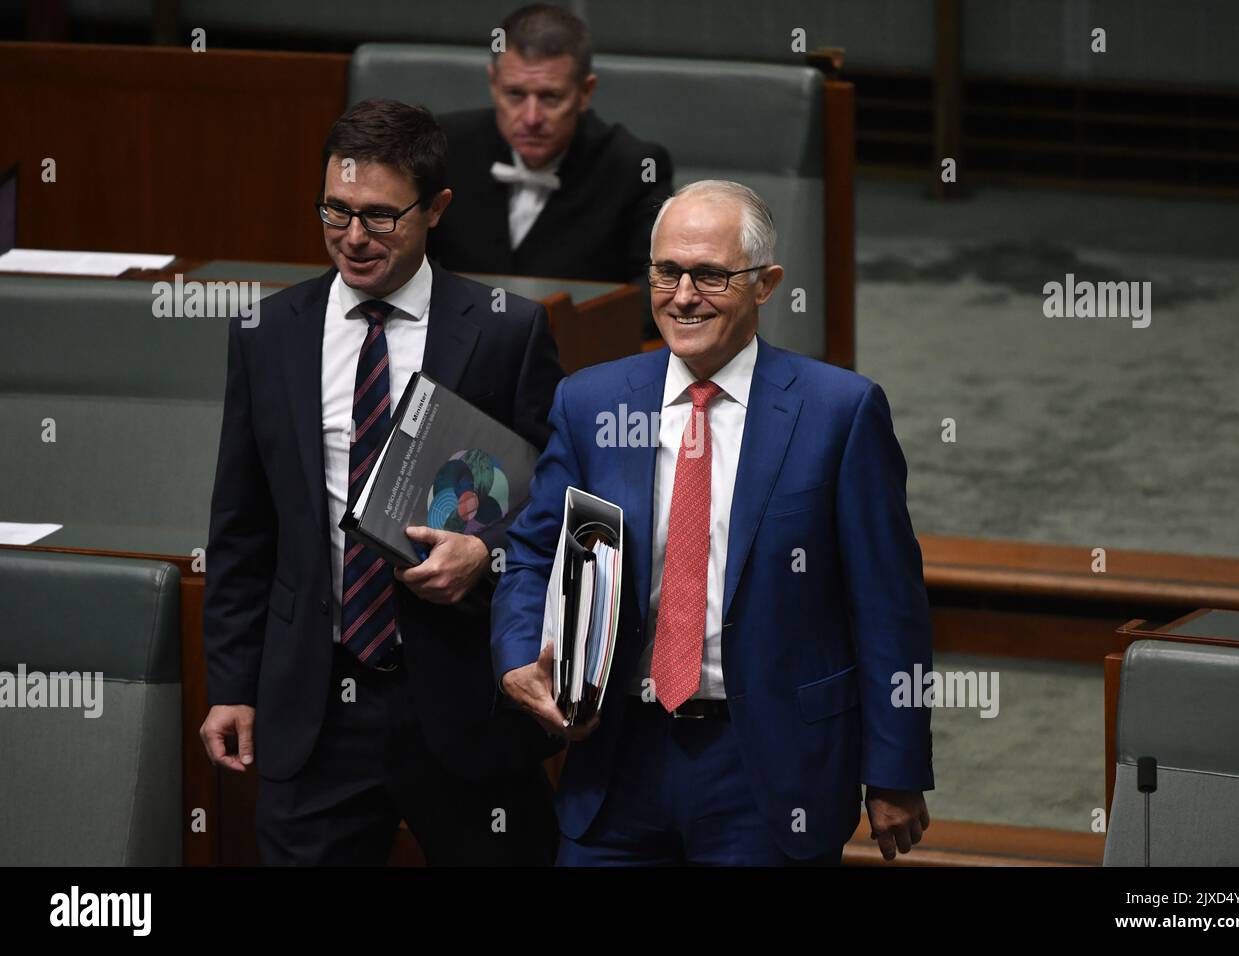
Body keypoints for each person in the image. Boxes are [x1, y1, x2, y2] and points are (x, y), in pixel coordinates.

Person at [491, 180, 935, 865]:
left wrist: (896, 769)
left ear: (766, 284)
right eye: (667, 271)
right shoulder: (591, 403)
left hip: (767, 764)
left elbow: (889, 605)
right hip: (617, 758)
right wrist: (520, 653)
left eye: (711, 275)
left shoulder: (838, 414)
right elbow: (531, 551)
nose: (683, 295)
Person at [201, 98, 564, 865]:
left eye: (379, 216)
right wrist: (231, 685)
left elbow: (553, 497)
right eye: (335, 210)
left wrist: (485, 555)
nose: (353, 238)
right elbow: (242, 527)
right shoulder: (269, 336)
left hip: (465, 698)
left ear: (436, 209)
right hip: (317, 705)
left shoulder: (504, 331)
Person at [428, 3, 673, 337]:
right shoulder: (445, 145)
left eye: (550, 97)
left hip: (575, 359)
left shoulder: (634, 166)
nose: (531, 118)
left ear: (585, 92)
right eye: (515, 94)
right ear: (493, 83)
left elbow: (659, 286)